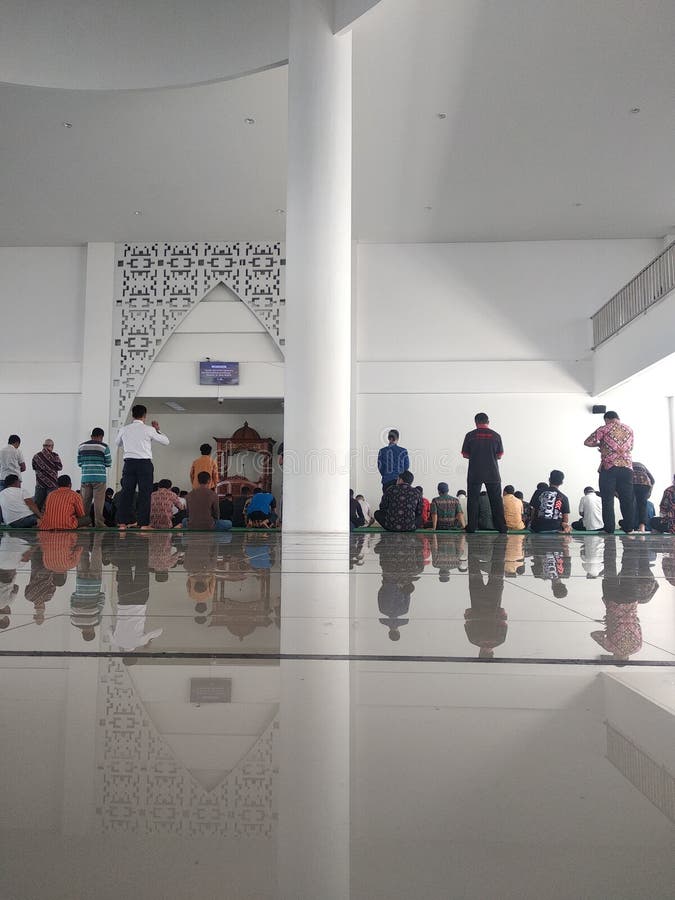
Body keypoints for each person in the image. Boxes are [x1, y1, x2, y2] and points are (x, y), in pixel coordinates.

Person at [115, 405, 170, 529]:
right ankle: (143, 524)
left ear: (132, 415)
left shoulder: (124, 429)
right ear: (144, 416)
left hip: (129, 463)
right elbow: (166, 441)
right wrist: (157, 430)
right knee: (145, 494)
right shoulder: (149, 429)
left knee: (126, 493)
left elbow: (117, 443)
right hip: (144, 464)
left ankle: (122, 523)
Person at [584, 410, 634, 534]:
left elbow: (588, 442)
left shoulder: (604, 428)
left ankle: (609, 529)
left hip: (609, 467)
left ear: (607, 419)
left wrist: (601, 444)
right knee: (626, 499)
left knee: (607, 499)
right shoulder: (629, 429)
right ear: (618, 418)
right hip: (627, 467)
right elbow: (631, 447)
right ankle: (629, 528)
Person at [461, 413, 506, 533]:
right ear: (488, 421)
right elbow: (499, 455)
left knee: (473, 501)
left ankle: (471, 527)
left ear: (475, 422)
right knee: (496, 501)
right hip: (493, 472)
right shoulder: (496, 436)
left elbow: (465, 454)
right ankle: (501, 527)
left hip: (475, 472)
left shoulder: (470, 436)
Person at [77, 427, 112, 527]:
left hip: (85, 478)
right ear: (101, 437)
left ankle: (84, 523)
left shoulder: (81, 446)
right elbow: (108, 463)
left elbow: (79, 463)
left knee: (85, 502)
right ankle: (99, 523)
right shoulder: (104, 447)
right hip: (99, 478)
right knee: (98, 502)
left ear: (91, 436)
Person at [31, 438, 63, 511]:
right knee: (51, 504)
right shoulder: (55, 456)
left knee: (38, 504)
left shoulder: (36, 456)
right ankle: (49, 519)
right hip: (52, 484)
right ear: (52, 446)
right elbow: (60, 467)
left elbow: (34, 467)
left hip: (40, 483)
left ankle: (37, 520)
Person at [377, 429, 410, 494]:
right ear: (397, 438)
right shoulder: (403, 451)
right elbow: (406, 466)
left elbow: (380, 467)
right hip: (400, 481)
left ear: (388, 438)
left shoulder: (382, 451)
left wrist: (386, 474)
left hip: (387, 480)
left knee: (387, 502)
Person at [630, 461, 655, 533]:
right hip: (645, 483)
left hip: (632, 483)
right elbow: (652, 480)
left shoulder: (625, 464)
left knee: (630, 506)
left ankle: (631, 527)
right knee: (643, 506)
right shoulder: (641, 465)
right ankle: (642, 527)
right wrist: (649, 492)